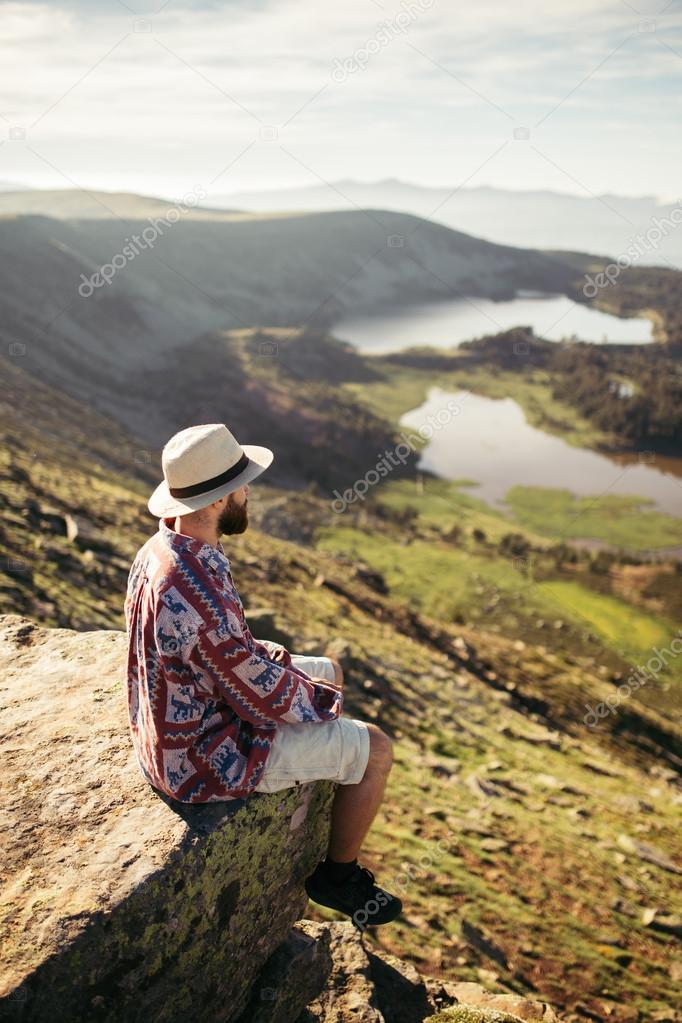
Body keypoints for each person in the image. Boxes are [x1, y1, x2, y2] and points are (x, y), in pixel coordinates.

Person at [124, 422, 402, 930]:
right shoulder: (194, 589)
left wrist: (278, 665)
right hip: (198, 754)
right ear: (216, 500)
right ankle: (336, 878)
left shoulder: (165, 548)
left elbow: (221, 656)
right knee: (376, 749)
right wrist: (321, 704)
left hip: (175, 717)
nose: (248, 491)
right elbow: (259, 698)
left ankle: (325, 775)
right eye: (241, 484)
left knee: (330, 670)